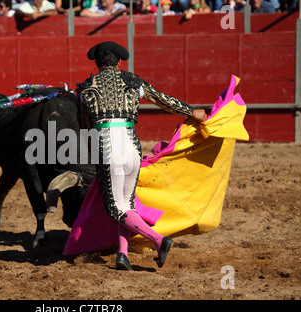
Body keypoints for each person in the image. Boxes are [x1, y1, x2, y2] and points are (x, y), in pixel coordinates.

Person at [76, 42, 207, 270]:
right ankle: (123, 254)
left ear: (96, 64)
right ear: (119, 63)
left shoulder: (85, 88)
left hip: (107, 145)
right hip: (131, 142)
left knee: (116, 208)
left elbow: (86, 128)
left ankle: (158, 240)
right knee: (127, 204)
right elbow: (163, 100)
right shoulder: (132, 81)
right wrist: (191, 112)